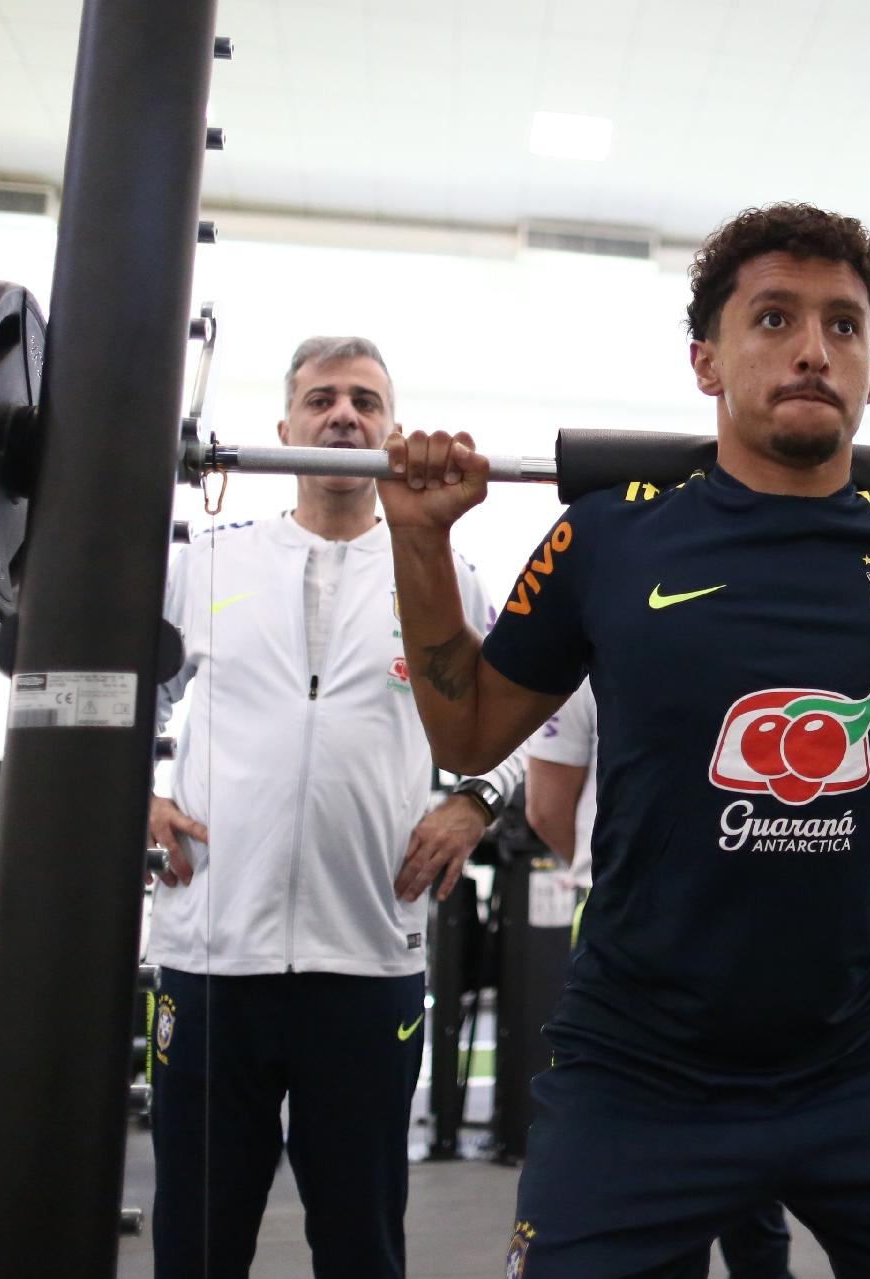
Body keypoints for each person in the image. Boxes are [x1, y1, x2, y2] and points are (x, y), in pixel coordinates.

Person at [383, 202, 870, 1277]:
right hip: (638, 1061)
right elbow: (465, 721)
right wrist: (420, 544)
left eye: (843, 327)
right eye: (774, 318)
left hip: (856, 1049)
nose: (811, 349)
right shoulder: (610, 533)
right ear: (706, 360)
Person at [144, 336, 525, 1279]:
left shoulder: (442, 574)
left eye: (365, 400)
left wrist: (473, 801)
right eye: (321, 400)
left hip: (365, 957)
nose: (343, 415)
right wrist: (135, 792)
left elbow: (514, 726)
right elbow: (119, 693)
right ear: (284, 428)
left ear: (392, 432)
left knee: (361, 1240)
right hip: (209, 954)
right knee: (195, 1240)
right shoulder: (209, 560)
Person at [527, 679, 796, 1279]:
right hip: (631, 937)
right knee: (640, 1146)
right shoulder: (586, 638)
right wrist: (629, 874)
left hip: (738, 928)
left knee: (741, 1148)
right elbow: (545, 808)